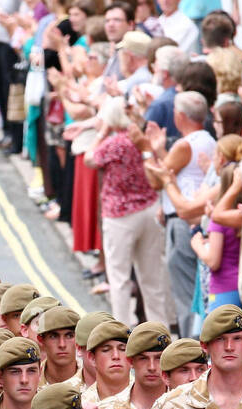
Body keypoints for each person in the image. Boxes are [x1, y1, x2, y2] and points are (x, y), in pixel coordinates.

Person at [89, 96, 174, 328]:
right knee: (152, 279)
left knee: (119, 279)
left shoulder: (113, 144)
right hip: (149, 208)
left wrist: (101, 133)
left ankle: (122, 331)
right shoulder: (143, 139)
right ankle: (161, 332)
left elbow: (90, 159)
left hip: (119, 215)